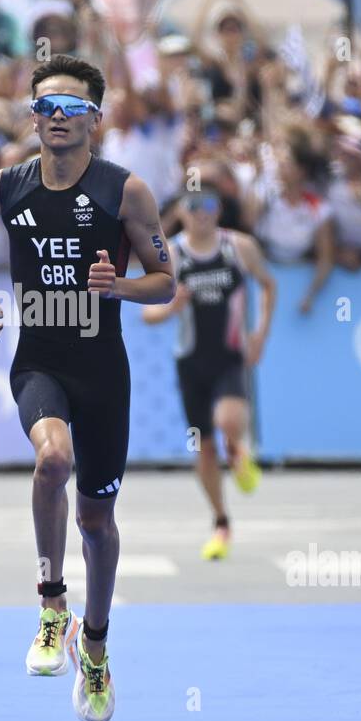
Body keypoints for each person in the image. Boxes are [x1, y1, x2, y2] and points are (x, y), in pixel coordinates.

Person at [0, 54, 174, 721]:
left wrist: (119, 287)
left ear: (95, 120)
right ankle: (52, 604)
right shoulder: (0, 186)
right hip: (38, 362)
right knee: (52, 459)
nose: (56, 119)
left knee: (96, 521)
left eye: (71, 108)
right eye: (44, 107)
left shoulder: (124, 192)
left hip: (104, 372)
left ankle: (95, 650)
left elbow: (166, 280)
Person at [142, 192, 274, 560]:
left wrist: (260, 332)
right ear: (182, 213)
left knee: (229, 420)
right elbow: (148, 314)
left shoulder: (238, 247)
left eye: (210, 208)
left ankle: (238, 450)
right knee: (203, 445)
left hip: (230, 356)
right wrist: (172, 308)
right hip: (190, 362)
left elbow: (268, 284)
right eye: (195, 209)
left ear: (219, 212)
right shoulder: (171, 254)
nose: (202, 216)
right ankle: (221, 521)